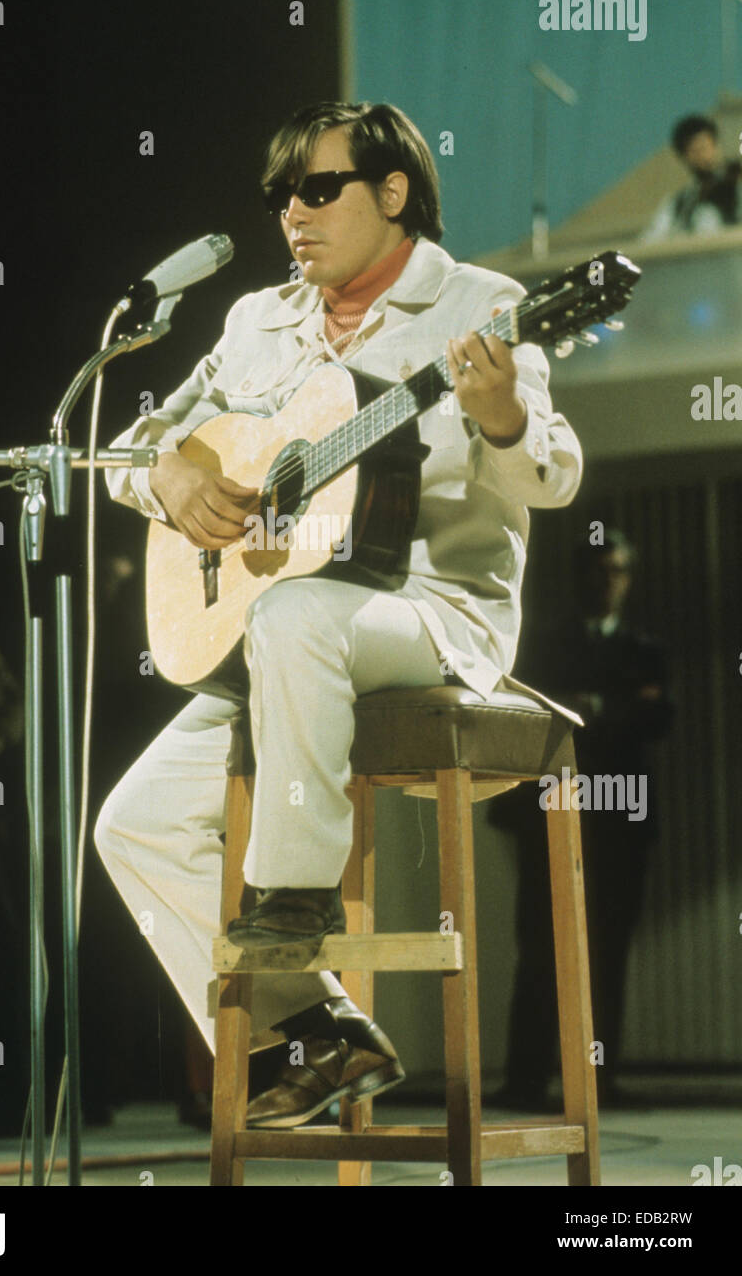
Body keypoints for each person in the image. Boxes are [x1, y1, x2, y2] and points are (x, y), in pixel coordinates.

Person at [94, 101, 584, 1129]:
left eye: (318, 189)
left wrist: (499, 417)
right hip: (289, 629)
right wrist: (169, 478)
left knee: (298, 619)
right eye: (281, 197)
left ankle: (292, 899)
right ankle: (317, 1032)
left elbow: (553, 473)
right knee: (131, 824)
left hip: (433, 617)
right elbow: (137, 444)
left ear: (393, 192)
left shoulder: (484, 305)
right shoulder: (255, 322)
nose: (293, 215)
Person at [490, 529, 673, 1109]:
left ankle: (594, 1079)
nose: (606, 581)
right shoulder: (544, 644)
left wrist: (591, 709)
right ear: (580, 577)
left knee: (608, 947)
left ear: (628, 578)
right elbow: (536, 712)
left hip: (618, 817)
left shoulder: (645, 648)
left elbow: (656, 717)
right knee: (541, 944)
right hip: (553, 811)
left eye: (615, 570)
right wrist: (609, 707)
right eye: (596, 569)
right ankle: (526, 1080)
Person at [641, 114, 740, 242]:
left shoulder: (736, 185)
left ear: (716, 146)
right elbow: (651, 240)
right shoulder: (679, 203)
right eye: (694, 151)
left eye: (704, 147)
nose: (702, 156)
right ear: (684, 157)